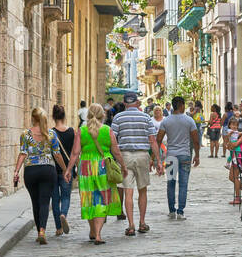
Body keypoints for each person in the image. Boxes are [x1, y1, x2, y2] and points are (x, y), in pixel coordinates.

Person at [63, 103, 125, 243]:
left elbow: (75, 153)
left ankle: (93, 230)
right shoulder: (107, 130)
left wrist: (68, 169)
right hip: (103, 167)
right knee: (102, 199)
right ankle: (97, 234)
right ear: (103, 115)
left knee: (89, 198)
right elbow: (116, 151)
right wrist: (123, 166)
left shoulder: (82, 131)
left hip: (85, 168)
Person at [111, 91, 163, 236]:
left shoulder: (118, 117)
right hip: (142, 155)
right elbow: (152, 140)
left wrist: (115, 158)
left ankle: (131, 225)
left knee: (128, 191)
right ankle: (142, 222)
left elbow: (113, 140)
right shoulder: (146, 117)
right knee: (142, 190)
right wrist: (158, 161)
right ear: (137, 102)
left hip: (125, 156)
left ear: (125, 103)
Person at [14, 108, 60, 245]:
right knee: (45, 201)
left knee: (35, 202)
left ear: (33, 118)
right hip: (48, 170)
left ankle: (39, 231)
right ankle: (42, 231)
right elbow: (57, 154)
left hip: (31, 171)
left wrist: (16, 171)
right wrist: (65, 169)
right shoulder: (51, 134)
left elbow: (23, 153)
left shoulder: (25, 134)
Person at [158, 96, 200, 219]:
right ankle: (180, 211)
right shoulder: (189, 120)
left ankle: (171, 210)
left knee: (170, 183)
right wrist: (197, 155)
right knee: (183, 184)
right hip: (185, 155)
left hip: (171, 156)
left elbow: (158, 139)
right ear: (181, 105)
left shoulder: (166, 121)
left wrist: (158, 157)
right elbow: (196, 140)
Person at [50, 104, 76, 237]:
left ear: (53, 117)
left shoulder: (50, 133)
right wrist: (72, 169)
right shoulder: (72, 131)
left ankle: (58, 228)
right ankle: (63, 214)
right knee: (66, 196)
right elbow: (75, 152)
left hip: (53, 170)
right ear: (64, 116)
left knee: (55, 198)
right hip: (68, 170)